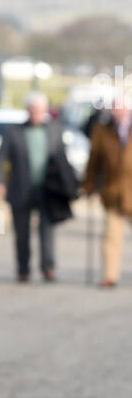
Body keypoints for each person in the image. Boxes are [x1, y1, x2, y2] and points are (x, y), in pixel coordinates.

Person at [0, 92, 66, 282]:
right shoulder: (13, 132)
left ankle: (48, 267)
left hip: (47, 190)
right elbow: (0, 159)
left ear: (45, 111)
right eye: (33, 110)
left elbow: (62, 160)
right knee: (22, 234)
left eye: (40, 111)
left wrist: (69, 184)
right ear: (27, 110)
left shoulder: (55, 130)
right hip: (20, 189)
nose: (36, 114)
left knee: (47, 232)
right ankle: (23, 269)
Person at [82, 96, 132, 287]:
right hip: (112, 192)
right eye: (115, 109)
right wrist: (88, 185)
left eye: (121, 108)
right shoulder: (102, 131)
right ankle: (110, 275)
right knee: (111, 236)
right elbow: (93, 161)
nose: (117, 112)